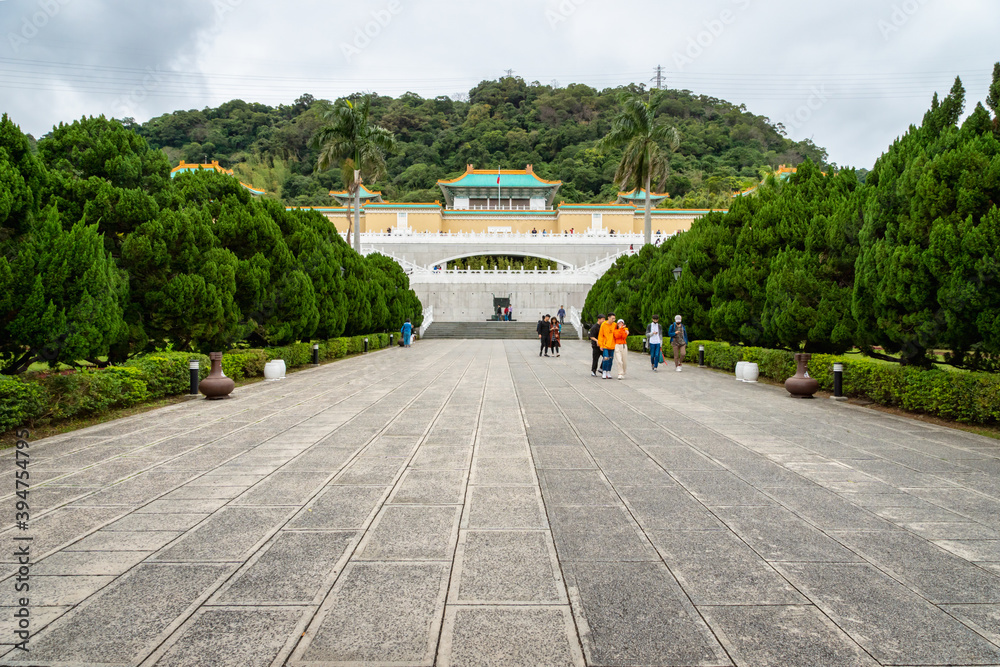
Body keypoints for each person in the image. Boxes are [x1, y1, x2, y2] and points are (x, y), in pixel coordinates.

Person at [598, 311, 617, 379]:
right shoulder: (604, 325)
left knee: (611, 359)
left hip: (612, 345)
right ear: (608, 318)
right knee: (605, 358)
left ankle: (608, 371)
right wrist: (601, 345)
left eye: (614, 318)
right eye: (612, 318)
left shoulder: (615, 325)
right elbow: (600, 335)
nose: (613, 320)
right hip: (605, 345)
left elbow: (620, 329)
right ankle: (604, 371)